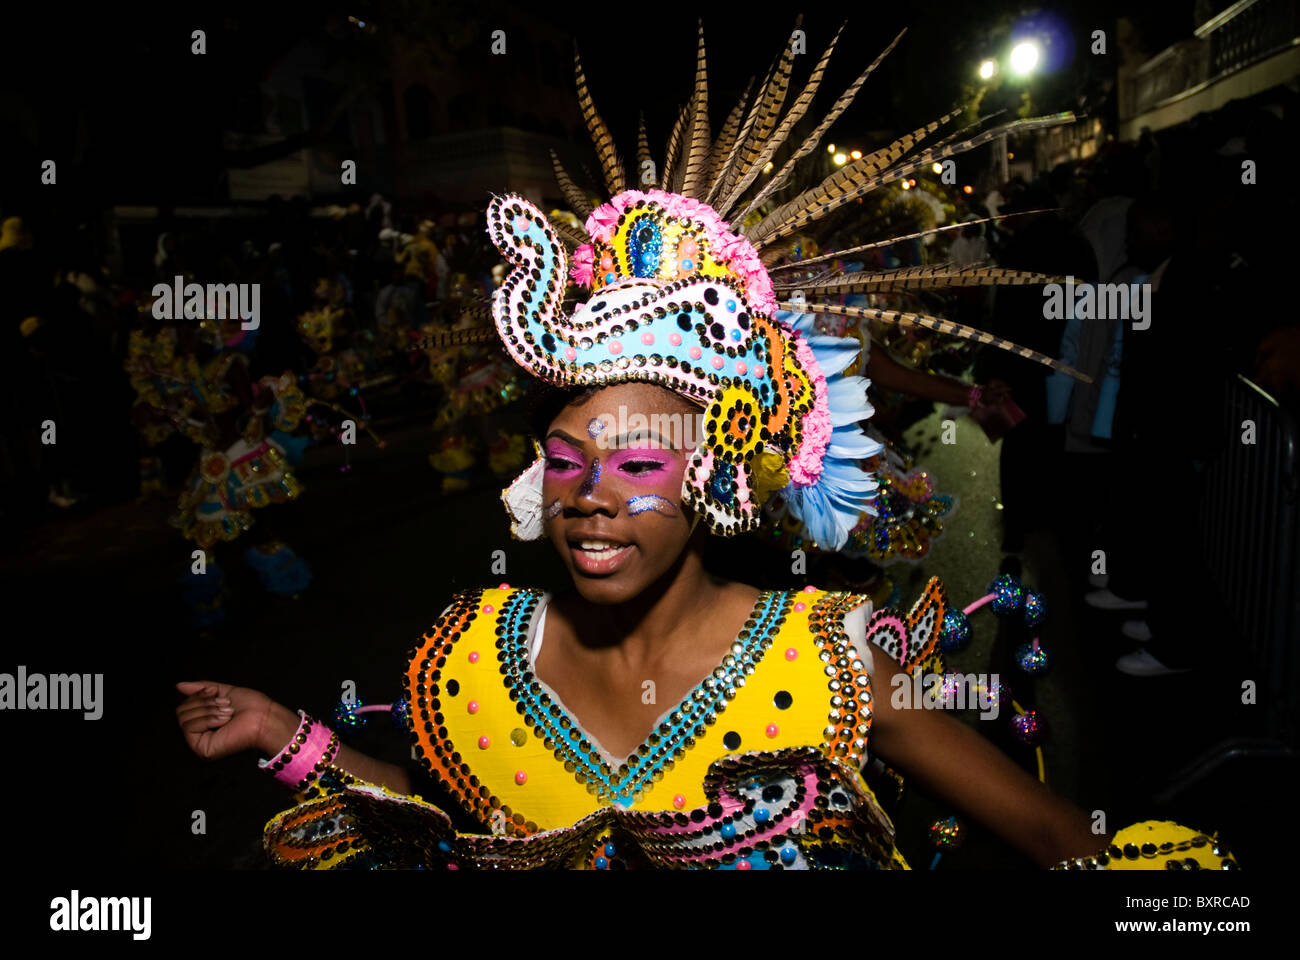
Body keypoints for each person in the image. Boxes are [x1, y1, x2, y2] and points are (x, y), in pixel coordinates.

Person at [177, 21, 1234, 870]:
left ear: (717, 474)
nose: (590, 495)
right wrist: (287, 737)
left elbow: (1060, 843)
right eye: (566, 457)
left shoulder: (826, 662)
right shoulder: (475, 655)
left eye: (637, 464)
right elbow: (455, 821)